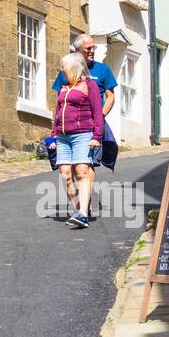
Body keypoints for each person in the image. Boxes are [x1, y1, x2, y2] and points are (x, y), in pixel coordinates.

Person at [51, 33, 119, 213]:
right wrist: (54, 130)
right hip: (68, 128)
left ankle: (85, 204)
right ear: (77, 50)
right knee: (68, 169)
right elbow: (59, 102)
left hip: (92, 124)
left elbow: (110, 97)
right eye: (88, 48)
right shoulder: (66, 71)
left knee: (86, 165)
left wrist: (100, 117)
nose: (92, 51)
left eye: (93, 48)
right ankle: (80, 204)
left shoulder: (102, 70)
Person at [51, 52, 104, 229]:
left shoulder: (90, 86)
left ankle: (82, 215)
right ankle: (80, 211)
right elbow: (57, 113)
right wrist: (53, 135)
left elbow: (98, 113)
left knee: (82, 172)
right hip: (63, 137)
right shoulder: (64, 87)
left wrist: (97, 136)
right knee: (64, 175)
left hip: (83, 134)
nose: (61, 69)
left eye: (64, 66)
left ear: (74, 67)